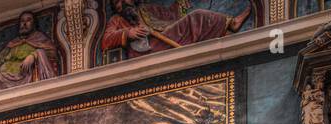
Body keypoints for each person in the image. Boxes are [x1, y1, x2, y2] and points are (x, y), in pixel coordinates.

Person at [102, 0, 249, 57]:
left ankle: (224, 32)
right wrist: (128, 33)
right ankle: (232, 24)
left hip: (165, 40)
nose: (120, 3)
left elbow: (172, 17)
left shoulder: (146, 9)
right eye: (116, 2)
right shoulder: (117, 19)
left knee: (192, 20)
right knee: (198, 16)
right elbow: (106, 41)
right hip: (145, 50)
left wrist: (180, 4)